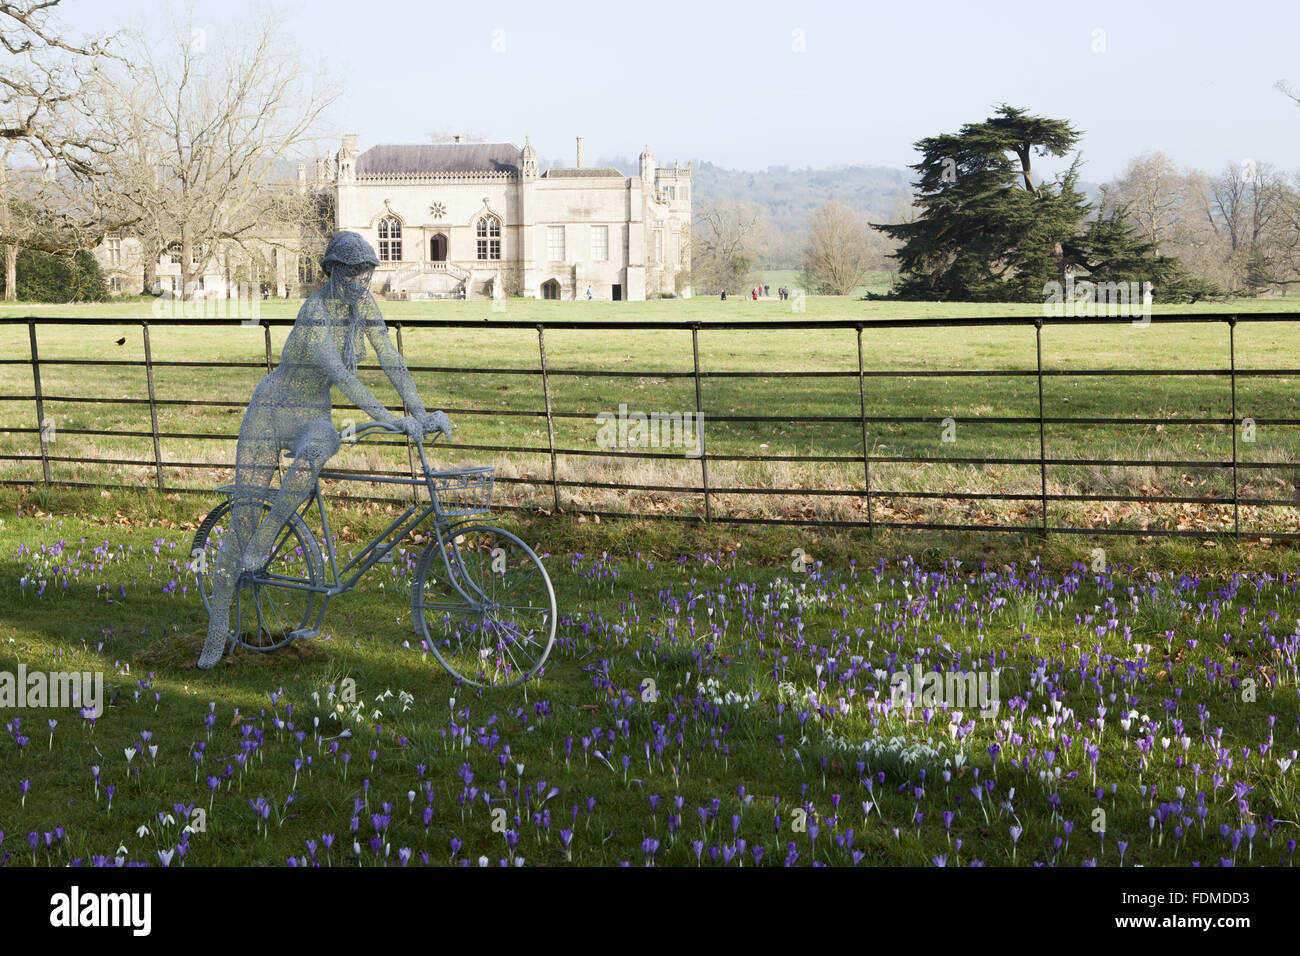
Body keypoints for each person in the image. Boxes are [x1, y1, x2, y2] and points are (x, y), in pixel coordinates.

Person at [197, 231, 454, 669]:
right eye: (353, 273)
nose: (361, 281)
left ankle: (270, 532)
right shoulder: (314, 313)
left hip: (311, 414)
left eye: (366, 273)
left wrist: (420, 413)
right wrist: (391, 420)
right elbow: (344, 377)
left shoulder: (363, 306)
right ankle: (216, 627)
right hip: (272, 410)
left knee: (324, 443)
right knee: (241, 519)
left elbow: (392, 359)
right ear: (333, 272)